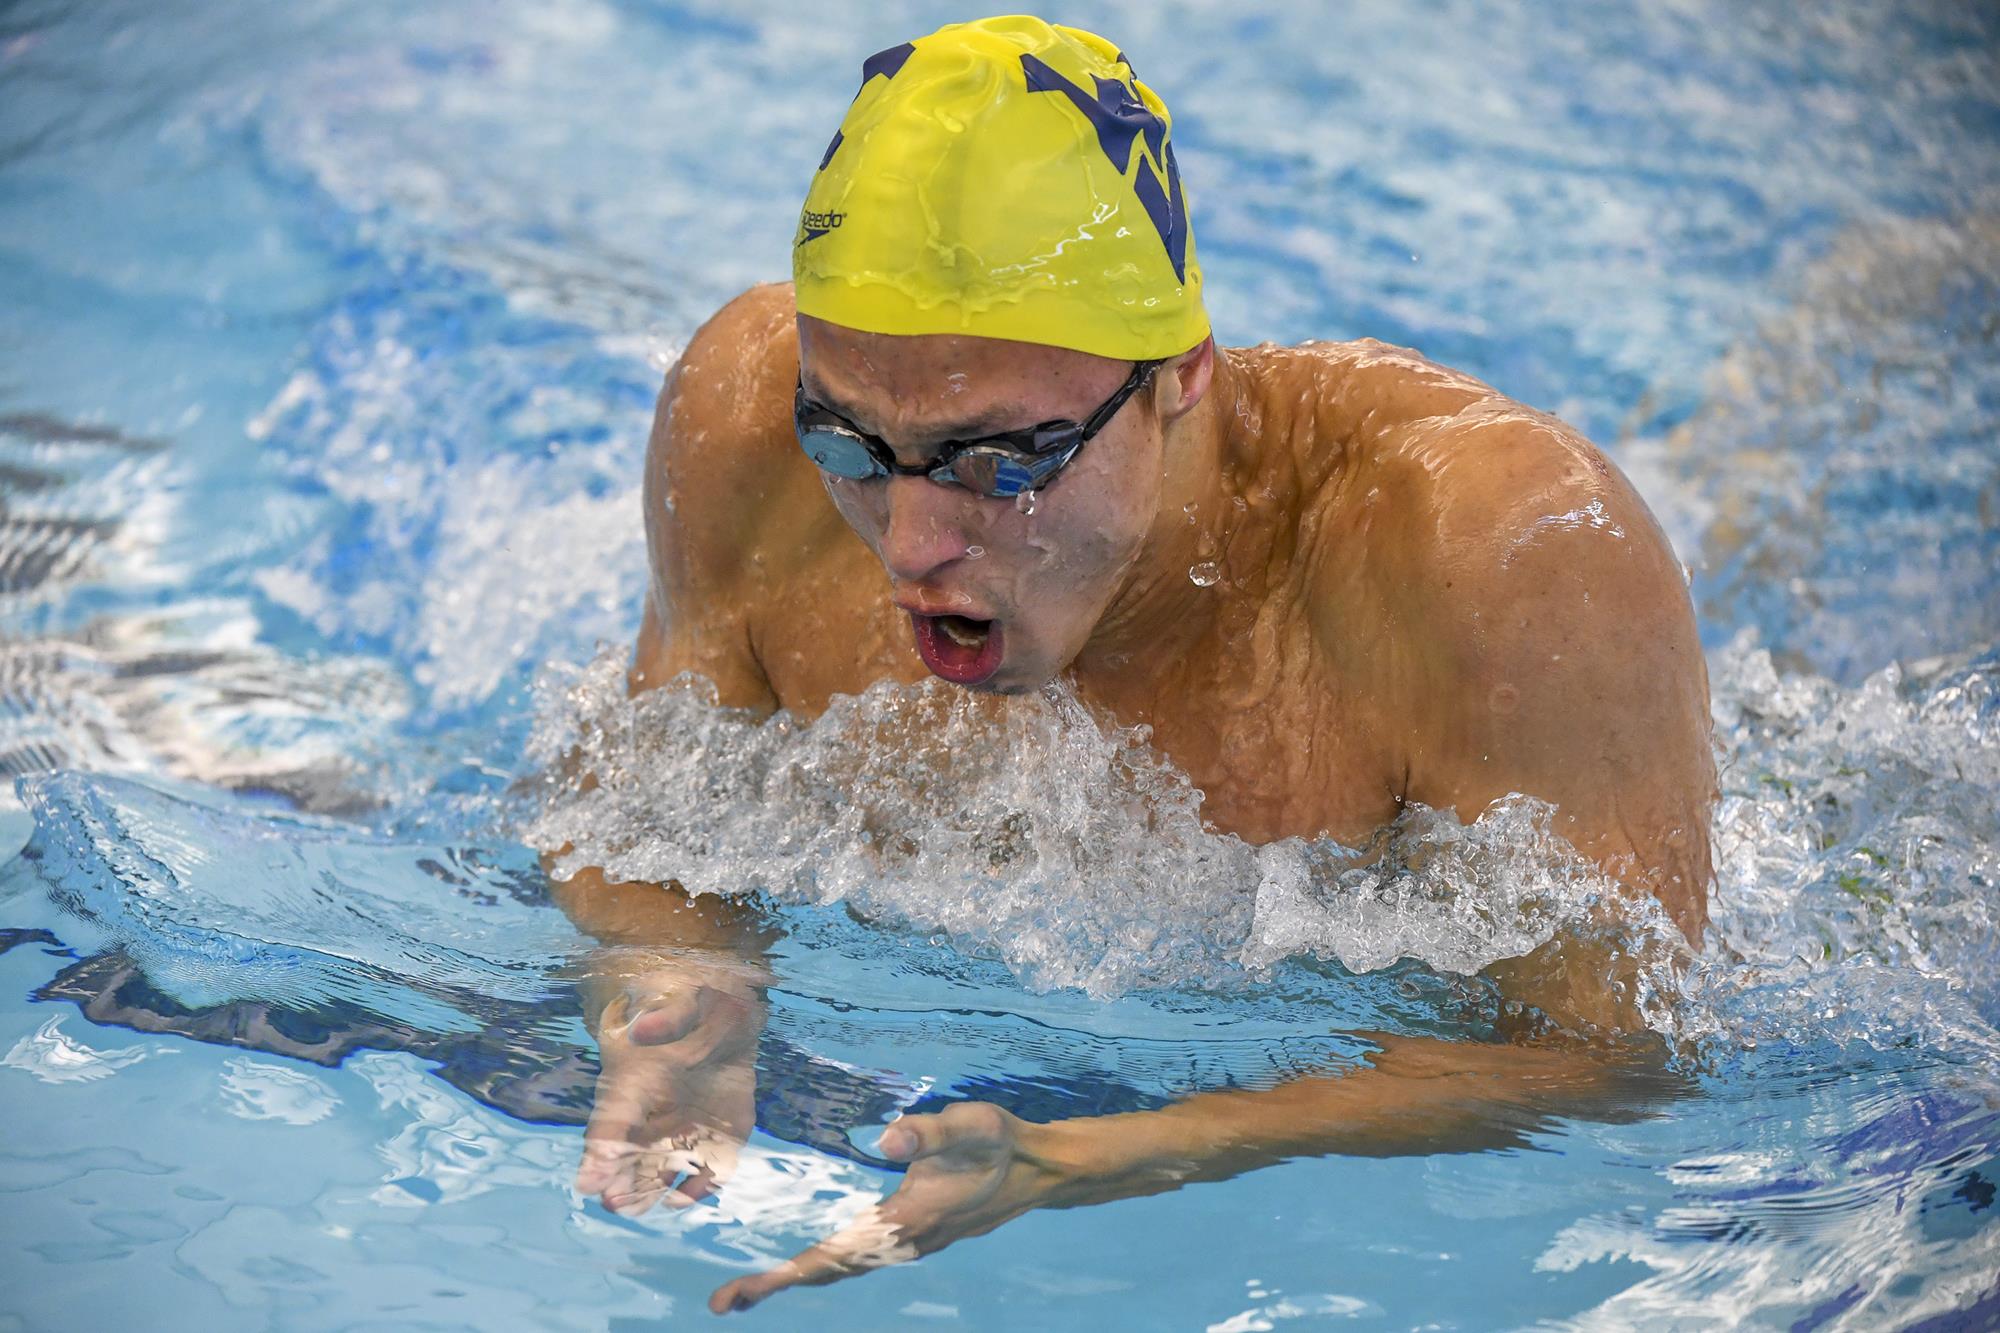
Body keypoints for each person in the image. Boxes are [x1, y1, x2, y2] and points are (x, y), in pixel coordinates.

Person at [552, 14, 1715, 1314]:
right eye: (854, 446)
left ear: (1182, 371)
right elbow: (634, 812)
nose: (913, 543)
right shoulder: (745, 431)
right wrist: (684, 983)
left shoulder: (1494, 563)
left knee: (1744, 485)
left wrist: (1108, 1153)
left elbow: (1605, 1054)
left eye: (1002, 462)